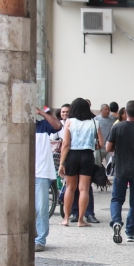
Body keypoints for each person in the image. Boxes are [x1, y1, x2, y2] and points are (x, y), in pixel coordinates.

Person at [107, 100, 134, 243]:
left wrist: (118, 149)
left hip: (121, 169)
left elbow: (108, 148)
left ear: (125, 112)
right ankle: (131, 232)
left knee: (117, 198)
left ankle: (116, 221)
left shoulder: (117, 127)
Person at [58, 98, 103, 227]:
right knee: (84, 189)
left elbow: (66, 144)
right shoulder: (95, 122)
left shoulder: (69, 122)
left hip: (72, 155)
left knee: (70, 188)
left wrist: (61, 163)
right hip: (87, 155)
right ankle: (81, 220)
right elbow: (101, 143)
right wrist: (89, 145)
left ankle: (66, 218)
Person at [34, 106, 62, 252]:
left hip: (41, 173)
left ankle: (40, 239)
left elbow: (58, 125)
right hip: (24, 173)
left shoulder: (42, 126)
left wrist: (42, 113)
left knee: (41, 207)